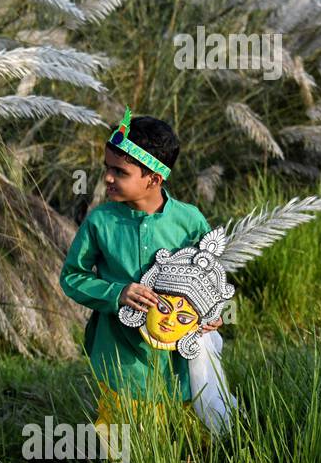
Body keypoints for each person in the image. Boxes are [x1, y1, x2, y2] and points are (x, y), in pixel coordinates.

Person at [59, 109, 224, 437]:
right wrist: (117, 292)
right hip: (121, 356)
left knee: (186, 435)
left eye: (120, 172)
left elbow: (210, 277)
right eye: (106, 168)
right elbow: (73, 276)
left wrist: (212, 313)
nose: (107, 178)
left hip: (178, 357)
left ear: (154, 178)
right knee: (121, 435)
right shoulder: (101, 222)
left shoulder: (189, 222)